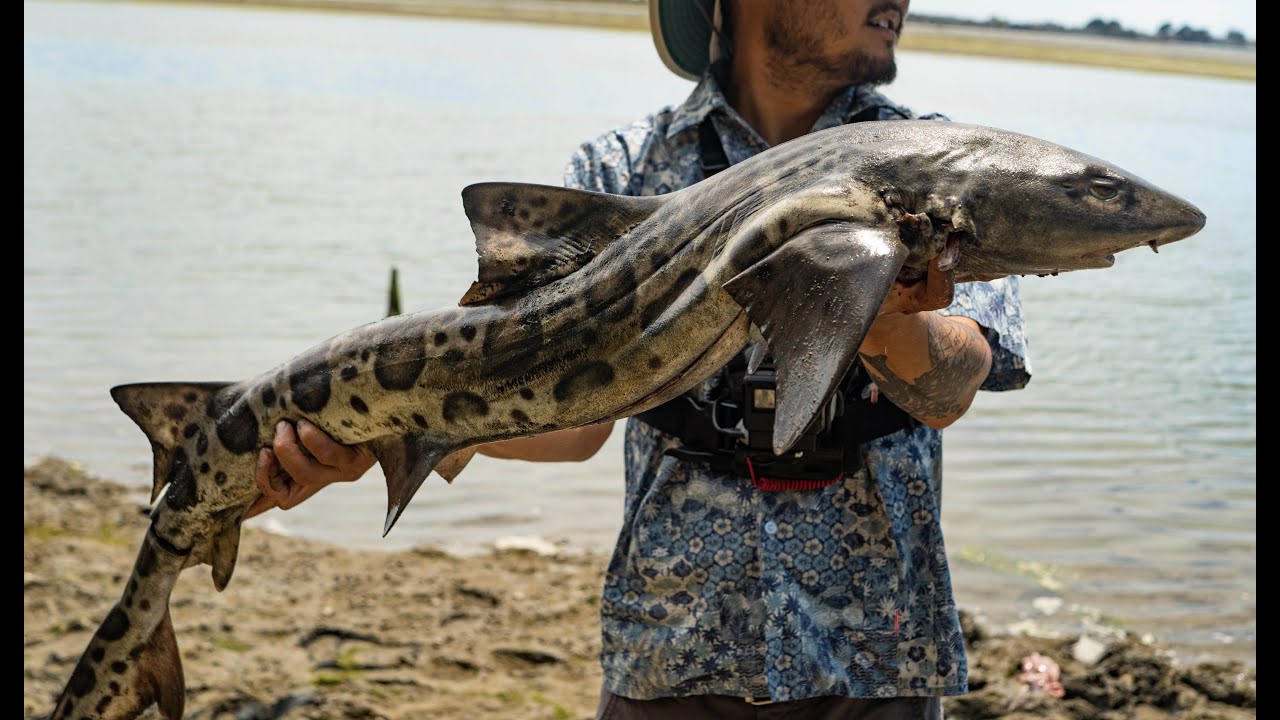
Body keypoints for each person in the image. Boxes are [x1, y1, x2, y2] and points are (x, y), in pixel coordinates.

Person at [248, 1, 1031, 717]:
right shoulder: (624, 170)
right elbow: (569, 426)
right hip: (672, 650)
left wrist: (881, 310)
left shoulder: (940, 166)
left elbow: (952, 388)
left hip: (876, 661)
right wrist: (384, 440)